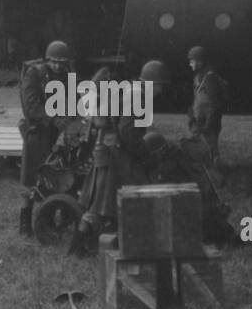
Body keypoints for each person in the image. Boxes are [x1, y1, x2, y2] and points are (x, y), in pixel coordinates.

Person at [67, 60, 164, 257]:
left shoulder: (133, 92)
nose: (161, 92)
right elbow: (128, 131)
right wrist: (145, 154)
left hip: (110, 153)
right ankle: (82, 247)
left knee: (101, 204)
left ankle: (82, 246)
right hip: (117, 157)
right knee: (134, 194)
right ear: (152, 84)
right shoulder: (138, 96)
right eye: (160, 86)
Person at [141, 129, 240, 246]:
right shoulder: (168, 164)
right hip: (191, 211)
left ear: (162, 152)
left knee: (210, 234)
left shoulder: (178, 163)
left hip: (199, 212)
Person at [17, 39, 73, 234]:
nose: (58, 65)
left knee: (55, 179)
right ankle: (25, 223)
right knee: (30, 179)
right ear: (47, 59)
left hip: (57, 136)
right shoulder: (34, 74)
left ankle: (48, 220)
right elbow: (31, 106)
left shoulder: (67, 76)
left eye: (62, 62)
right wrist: (53, 119)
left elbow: (72, 102)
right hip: (37, 133)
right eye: (54, 61)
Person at [186, 45, 227, 176]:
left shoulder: (209, 77)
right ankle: (205, 173)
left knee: (210, 149)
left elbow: (215, 104)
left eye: (191, 61)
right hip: (199, 120)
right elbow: (198, 99)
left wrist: (209, 125)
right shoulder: (199, 76)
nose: (190, 64)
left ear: (199, 61)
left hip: (208, 121)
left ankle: (217, 176)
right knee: (199, 148)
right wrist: (192, 116)